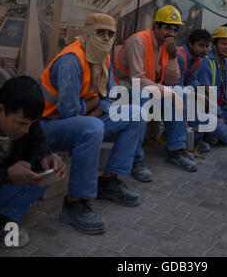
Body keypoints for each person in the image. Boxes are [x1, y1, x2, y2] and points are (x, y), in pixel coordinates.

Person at [39, 13, 147, 236]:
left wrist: (95, 106)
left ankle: (108, 182)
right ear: (88, 32)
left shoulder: (104, 57)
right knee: (92, 127)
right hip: (50, 126)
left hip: (84, 119)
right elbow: (69, 111)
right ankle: (74, 203)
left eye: (110, 33)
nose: (106, 37)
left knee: (136, 113)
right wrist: (96, 104)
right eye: (100, 32)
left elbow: (108, 97)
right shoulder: (72, 59)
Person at [0, 76, 66, 248]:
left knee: (44, 176)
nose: (25, 130)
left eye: (29, 125)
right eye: (20, 124)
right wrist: (7, 175)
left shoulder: (27, 120)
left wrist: (46, 158)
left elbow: (37, 145)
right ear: (0, 109)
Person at [114, 5, 197, 172]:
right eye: (167, 28)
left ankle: (175, 150)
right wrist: (168, 92)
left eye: (174, 30)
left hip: (149, 88)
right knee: (142, 95)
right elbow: (137, 80)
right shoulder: (139, 41)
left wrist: (173, 56)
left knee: (179, 92)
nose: (171, 34)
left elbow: (172, 80)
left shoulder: (168, 47)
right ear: (156, 26)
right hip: (123, 92)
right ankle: (135, 159)